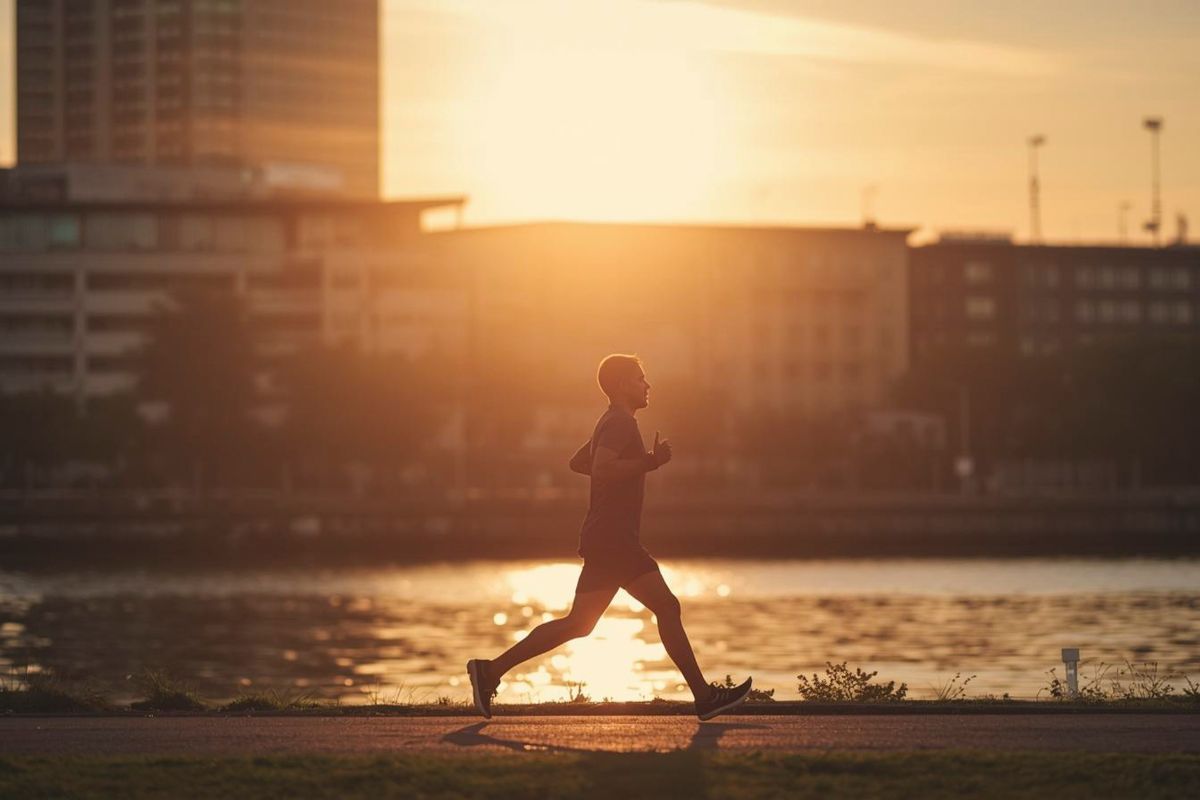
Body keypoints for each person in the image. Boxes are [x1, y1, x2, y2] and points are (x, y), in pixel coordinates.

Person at [468, 353, 752, 721]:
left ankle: (489, 671)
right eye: (640, 379)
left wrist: (621, 466)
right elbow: (601, 468)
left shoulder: (611, 421)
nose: (647, 385)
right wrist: (649, 462)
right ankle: (705, 697)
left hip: (607, 538)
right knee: (666, 607)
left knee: (579, 624)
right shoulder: (620, 423)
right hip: (615, 540)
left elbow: (579, 463)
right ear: (621, 385)